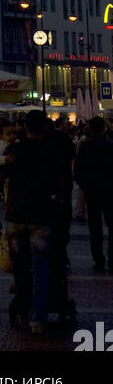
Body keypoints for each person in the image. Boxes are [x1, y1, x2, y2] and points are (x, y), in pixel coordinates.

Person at [0, 109, 65, 335]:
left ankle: (23, 312)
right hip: (41, 215)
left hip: (15, 215)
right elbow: (61, 184)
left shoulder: (14, 149)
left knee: (20, 268)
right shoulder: (52, 151)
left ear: (25, 127)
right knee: (41, 269)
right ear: (44, 128)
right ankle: (37, 319)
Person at [75, 116, 113, 272]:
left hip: (91, 192)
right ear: (104, 128)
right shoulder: (111, 146)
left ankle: (98, 259)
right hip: (110, 191)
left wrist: (84, 186)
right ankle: (112, 260)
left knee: (94, 228)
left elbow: (77, 170)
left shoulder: (85, 146)